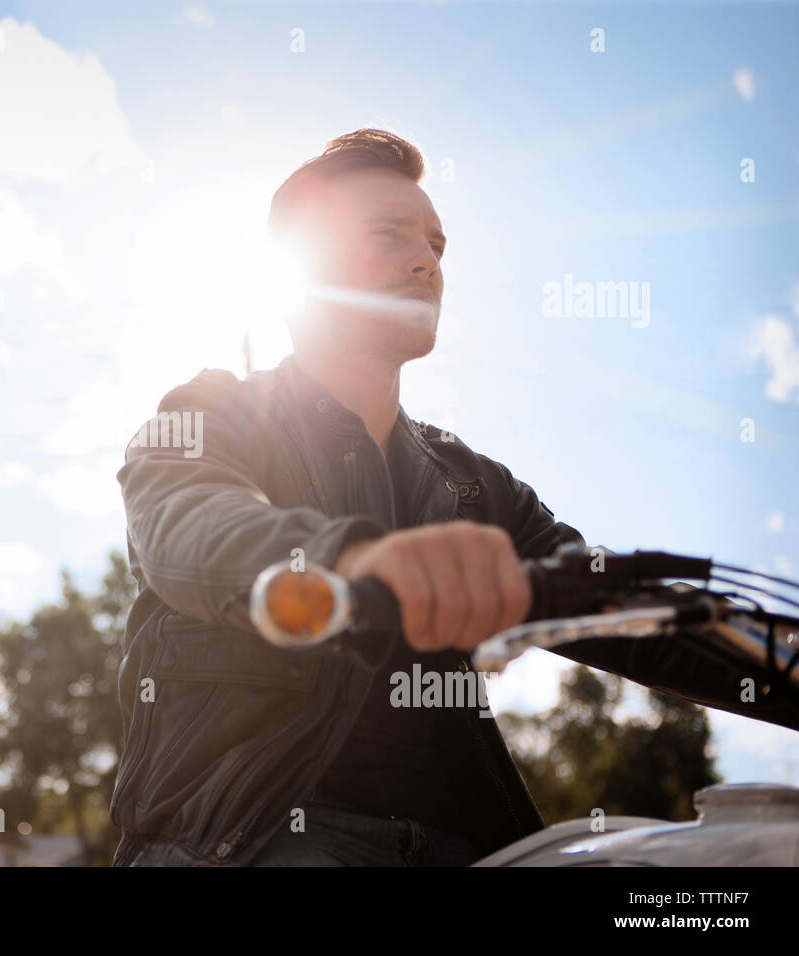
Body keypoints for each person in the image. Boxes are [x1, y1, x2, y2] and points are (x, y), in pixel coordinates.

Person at [109, 128, 750, 867]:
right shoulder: (208, 412)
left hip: (468, 849)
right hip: (249, 842)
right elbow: (189, 527)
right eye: (391, 235)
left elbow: (627, 608)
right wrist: (353, 563)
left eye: (437, 246)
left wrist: (768, 661)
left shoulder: (479, 485)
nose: (427, 262)